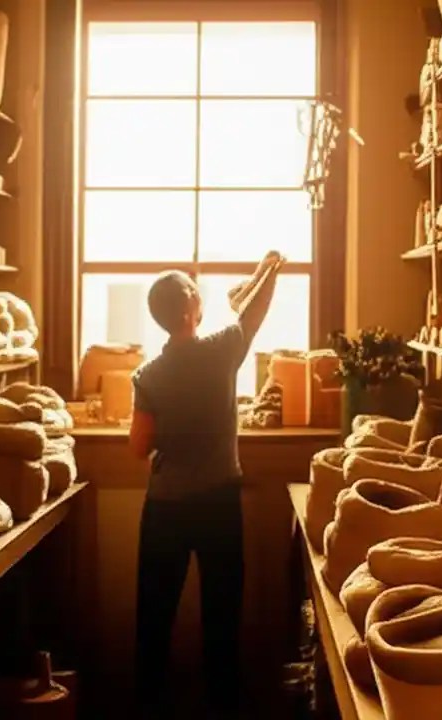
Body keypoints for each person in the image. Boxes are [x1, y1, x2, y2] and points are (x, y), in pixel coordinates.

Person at [129, 251, 285, 718]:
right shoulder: (222, 351)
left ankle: (148, 708)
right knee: (222, 619)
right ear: (188, 310)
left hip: (165, 508)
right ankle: (223, 709)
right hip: (218, 503)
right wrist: (272, 272)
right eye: (195, 292)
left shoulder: (148, 376)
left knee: (154, 620)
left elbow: (138, 447)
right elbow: (254, 314)